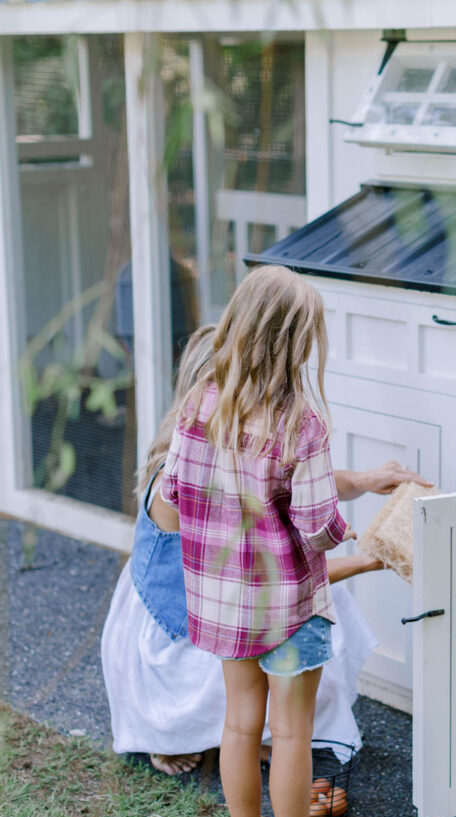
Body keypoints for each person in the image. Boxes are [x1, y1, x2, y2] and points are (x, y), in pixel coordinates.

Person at [162, 267, 426, 817]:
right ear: (296, 342)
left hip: (221, 601)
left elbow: (174, 492)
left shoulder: (202, 398)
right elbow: (314, 522)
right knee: (291, 735)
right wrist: (352, 532)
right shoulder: (300, 422)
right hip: (288, 607)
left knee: (237, 726)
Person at [101, 325, 427, 778]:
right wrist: (372, 560)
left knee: (318, 611)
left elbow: (297, 483)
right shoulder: (177, 480)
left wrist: (364, 479)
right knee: (308, 607)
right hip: (179, 624)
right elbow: (265, 582)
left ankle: (260, 732)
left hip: (226, 600)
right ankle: (171, 730)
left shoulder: (226, 445)